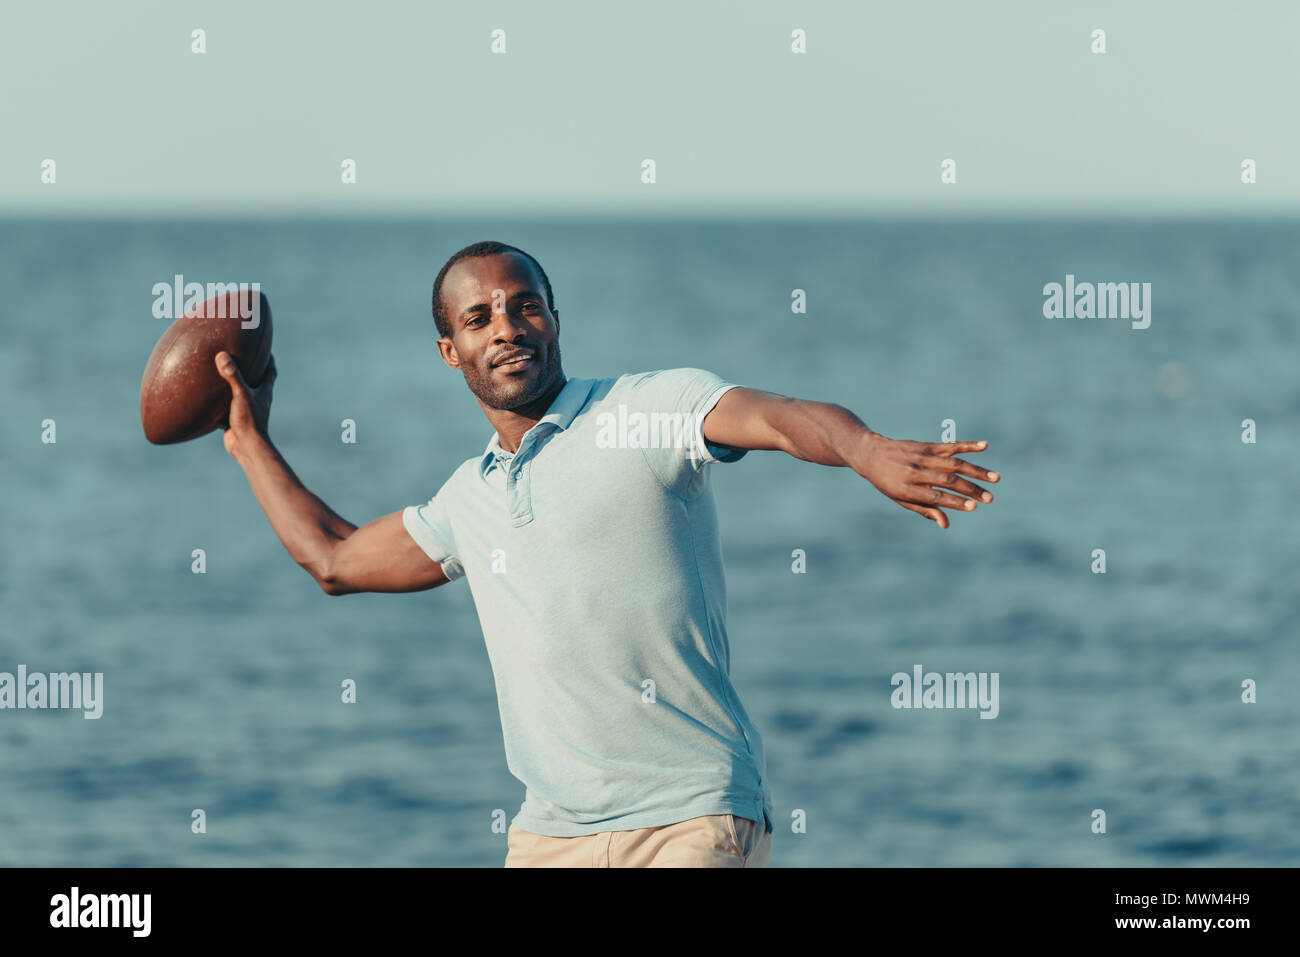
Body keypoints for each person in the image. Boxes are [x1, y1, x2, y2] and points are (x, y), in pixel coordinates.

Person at [215, 240, 1000, 867]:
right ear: (450, 350)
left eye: (525, 308)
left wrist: (862, 447)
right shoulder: (468, 497)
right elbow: (336, 558)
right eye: (481, 317)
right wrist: (250, 442)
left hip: (690, 818)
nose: (508, 328)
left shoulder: (645, 411)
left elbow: (782, 416)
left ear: (554, 319)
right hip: (549, 838)